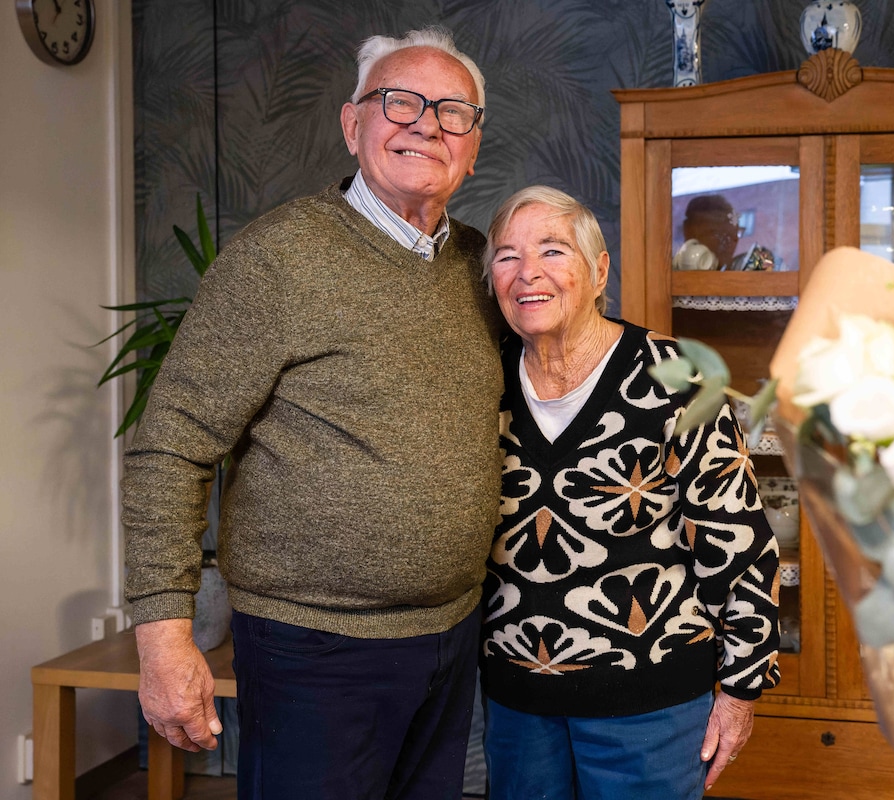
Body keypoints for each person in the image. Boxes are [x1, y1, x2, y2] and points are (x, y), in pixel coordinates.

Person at [122, 27, 502, 800]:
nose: (426, 123)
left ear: (472, 143)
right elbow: (172, 447)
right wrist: (165, 639)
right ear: (352, 125)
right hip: (312, 649)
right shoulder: (277, 259)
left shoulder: (480, 264)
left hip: (451, 635)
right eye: (400, 102)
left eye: (452, 111)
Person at [479, 185, 781, 800]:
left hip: (652, 707)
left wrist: (741, 690)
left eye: (552, 250)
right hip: (518, 704)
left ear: (599, 270)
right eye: (506, 256)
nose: (527, 273)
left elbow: (740, 542)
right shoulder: (481, 380)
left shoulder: (675, 379)